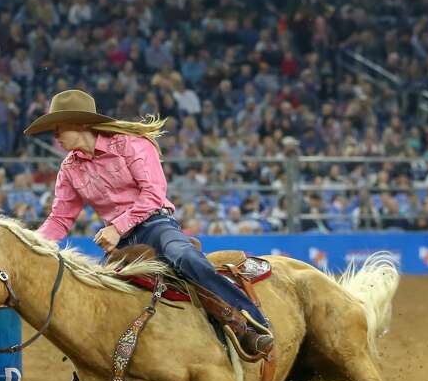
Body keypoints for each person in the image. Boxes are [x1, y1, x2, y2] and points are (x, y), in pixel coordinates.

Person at [24, 89, 274, 359]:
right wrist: (30, 246)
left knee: (185, 257)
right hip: (121, 244)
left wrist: (116, 227)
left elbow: (153, 195)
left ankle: (252, 323)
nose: (55, 136)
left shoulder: (129, 144)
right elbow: (60, 219)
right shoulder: (69, 168)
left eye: (58, 128)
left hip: (155, 225)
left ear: (81, 124)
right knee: (98, 297)